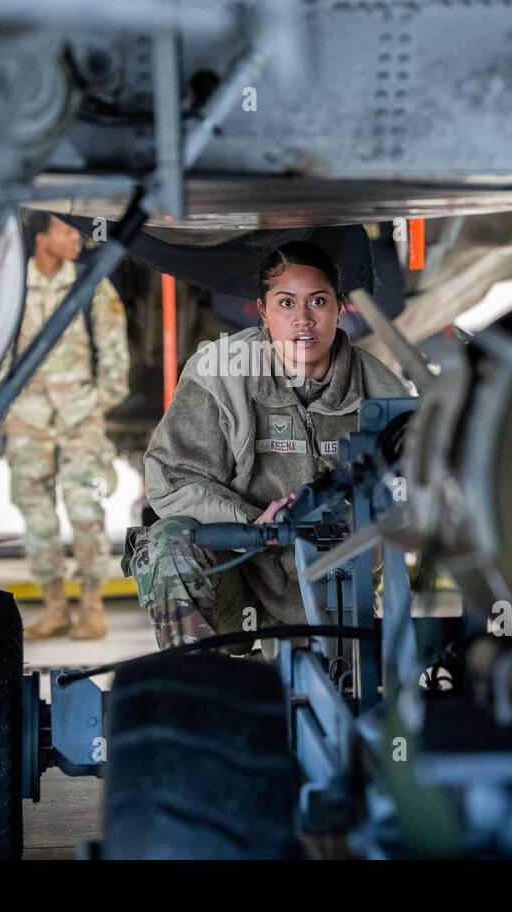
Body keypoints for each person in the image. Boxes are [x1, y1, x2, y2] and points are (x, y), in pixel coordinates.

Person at [131, 241, 407, 649]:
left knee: (345, 692)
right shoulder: (220, 373)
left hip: (337, 586)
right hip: (240, 579)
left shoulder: (381, 392)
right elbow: (171, 478)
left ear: (338, 307)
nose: (303, 320)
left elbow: (412, 494)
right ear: (262, 311)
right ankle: (194, 685)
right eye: (285, 303)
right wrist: (255, 526)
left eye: (317, 301)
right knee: (169, 544)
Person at [7, 209, 129, 640]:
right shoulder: (10, 286)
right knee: (36, 517)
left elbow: (115, 350)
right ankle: (56, 607)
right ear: (42, 237)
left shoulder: (89, 284)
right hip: (27, 420)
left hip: (79, 417)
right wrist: (5, 408)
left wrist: (99, 401)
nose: (77, 238)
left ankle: (92, 607)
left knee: (86, 513)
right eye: (65, 230)